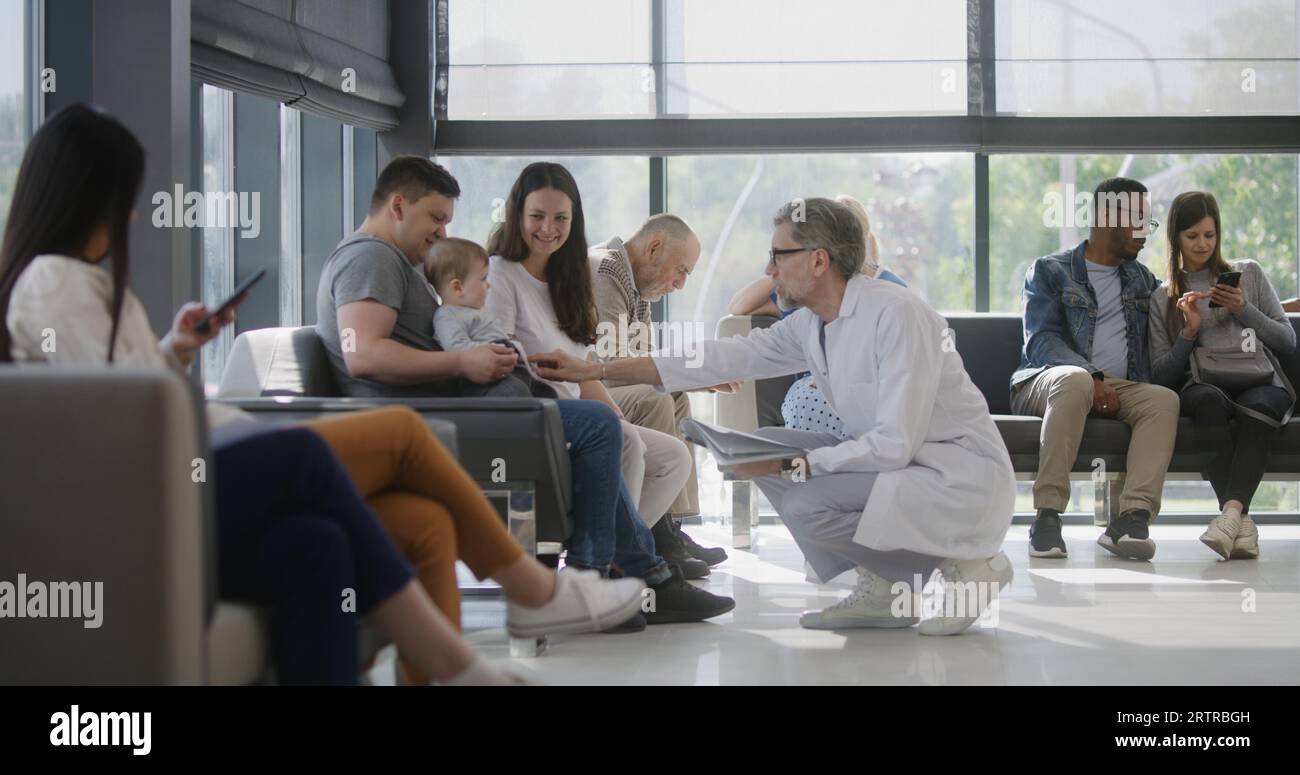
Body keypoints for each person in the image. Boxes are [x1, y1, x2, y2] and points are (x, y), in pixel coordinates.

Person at [0, 104, 647, 684]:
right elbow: (115, 416)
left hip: (190, 462)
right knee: (376, 440)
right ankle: (527, 597)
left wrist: (175, 349)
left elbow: (114, 385)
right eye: (125, 198)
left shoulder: (74, 282)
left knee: (347, 540)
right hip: (169, 482)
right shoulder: (55, 279)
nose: (133, 214)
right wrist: (462, 361)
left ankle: (475, 649)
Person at [533, 197, 1017, 636]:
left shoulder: (897, 315)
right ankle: (890, 585)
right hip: (901, 465)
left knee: (803, 500)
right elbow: (723, 356)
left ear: (819, 260)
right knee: (760, 445)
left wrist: (792, 465)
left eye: (778, 256)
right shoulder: (812, 323)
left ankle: (968, 563)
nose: (768, 270)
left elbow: (894, 445)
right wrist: (595, 369)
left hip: (955, 477)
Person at [315, 155, 733, 624]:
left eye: (446, 220)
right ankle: (615, 577)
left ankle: (611, 578)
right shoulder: (370, 257)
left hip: (445, 414)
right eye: (436, 218)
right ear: (397, 206)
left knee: (608, 427)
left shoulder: (398, 263)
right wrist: (465, 361)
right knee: (600, 427)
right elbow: (363, 355)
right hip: (429, 424)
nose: (443, 233)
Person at [484, 161, 724, 585]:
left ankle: (620, 554)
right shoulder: (510, 275)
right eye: (537, 216)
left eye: (560, 218)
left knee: (673, 455)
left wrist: (614, 409)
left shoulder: (566, 278)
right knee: (630, 428)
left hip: (581, 402)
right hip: (543, 413)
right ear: (517, 214)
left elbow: (586, 366)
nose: (548, 229)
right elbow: (504, 362)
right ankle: (613, 567)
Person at [1012, 177, 1179, 561]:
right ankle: (1047, 516)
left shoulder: (1142, 280)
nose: (1145, 232)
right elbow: (1041, 343)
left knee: (1163, 401)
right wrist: (1091, 374)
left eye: (1149, 222)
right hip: (1048, 380)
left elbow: (1176, 308)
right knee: (1075, 381)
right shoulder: (1049, 270)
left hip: (1115, 387)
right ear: (1107, 215)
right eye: (1138, 220)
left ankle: (1131, 519)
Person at [1148, 191, 1295, 560]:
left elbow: (1287, 340)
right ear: (1175, 238)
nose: (1202, 244)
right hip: (1205, 386)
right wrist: (1188, 332)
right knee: (1206, 402)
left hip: (1261, 380)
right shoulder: (1163, 296)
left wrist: (1244, 309)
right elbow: (1162, 377)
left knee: (1259, 408)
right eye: (1192, 236)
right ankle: (1240, 521)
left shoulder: (1249, 274)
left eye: (1210, 235)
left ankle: (1229, 516)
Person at [590, 213, 729, 568]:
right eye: (680, 270)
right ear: (653, 248)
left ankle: (671, 527)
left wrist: (689, 377)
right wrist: (689, 374)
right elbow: (614, 366)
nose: (680, 284)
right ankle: (660, 536)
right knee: (654, 397)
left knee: (675, 395)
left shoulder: (633, 282)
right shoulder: (607, 270)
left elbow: (645, 363)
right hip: (590, 390)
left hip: (604, 386)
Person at [727, 194, 905, 439]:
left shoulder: (891, 291)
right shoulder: (809, 286)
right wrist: (787, 265)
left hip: (873, 386)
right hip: (814, 389)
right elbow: (738, 306)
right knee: (807, 403)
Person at [422, 236, 556, 398]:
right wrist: (491, 350)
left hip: (512, 371)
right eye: (483, 279)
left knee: (547, 393)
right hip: (485, 380)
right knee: (514, 392)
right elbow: (455, 347)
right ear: (458, 288)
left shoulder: (477, 310)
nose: (489, 284)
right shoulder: (447, 316)